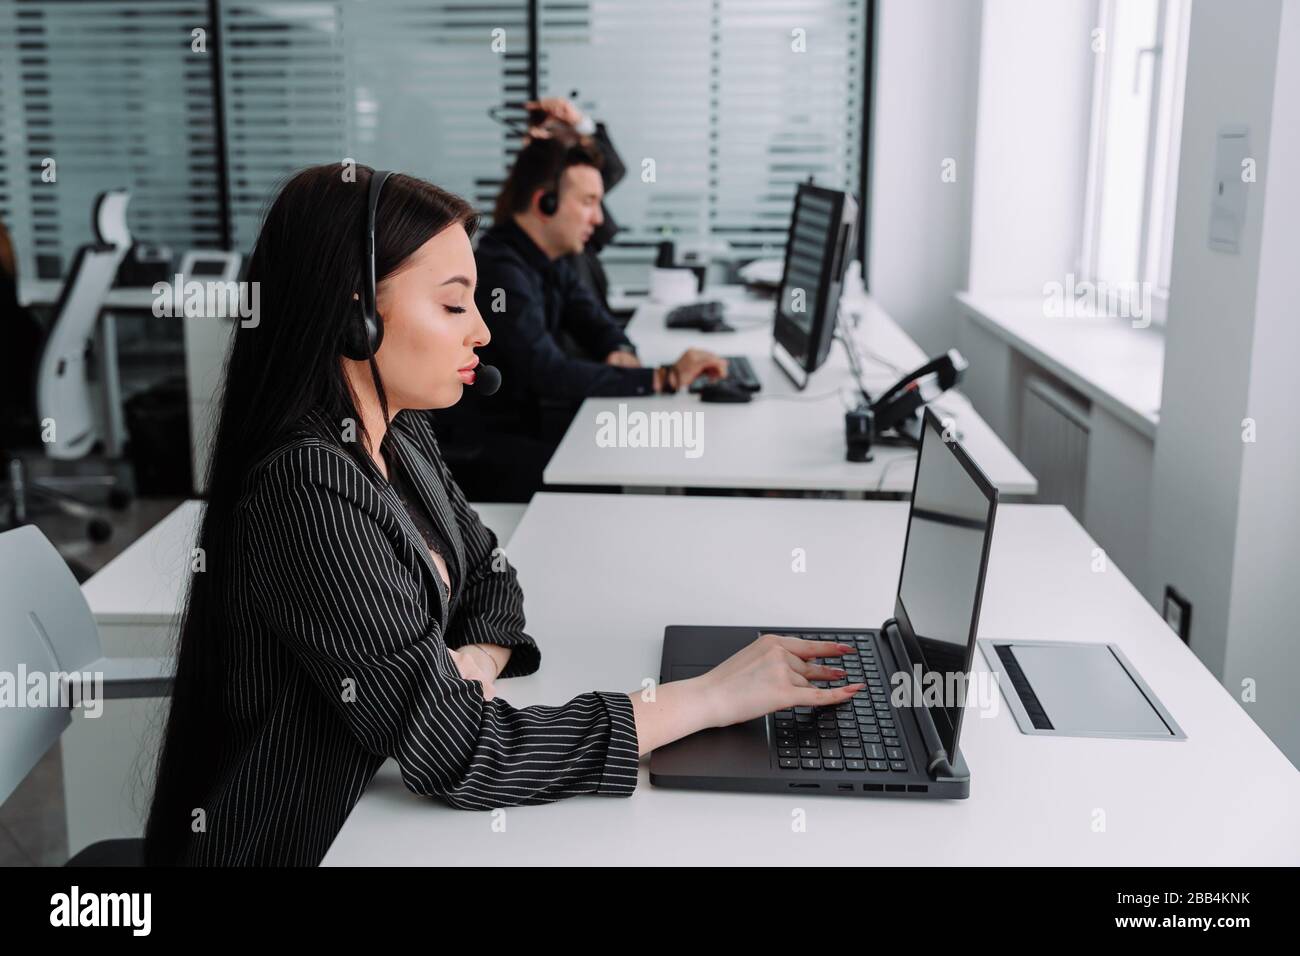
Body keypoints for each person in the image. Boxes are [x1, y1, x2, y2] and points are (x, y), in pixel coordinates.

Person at [142, 164, 864, 866]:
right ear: (355, 315)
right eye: (453, 305)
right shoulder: (308, 486)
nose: (481, 333)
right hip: (310, 841)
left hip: (377, 811)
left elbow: (490, 575)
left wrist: (475, 662)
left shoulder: (397, 428)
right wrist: (703, 700)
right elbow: (462, 752)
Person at [432, 132, 726, 502]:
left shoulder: (549, 259)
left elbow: (594, 318)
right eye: (589, 202)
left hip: (537, 426)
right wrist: (661, 377)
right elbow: (546, 372)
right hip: (493, 451)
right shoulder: (500, 273)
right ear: (546, 202)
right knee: (624, 464)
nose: (599, 218)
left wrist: (618, 346)